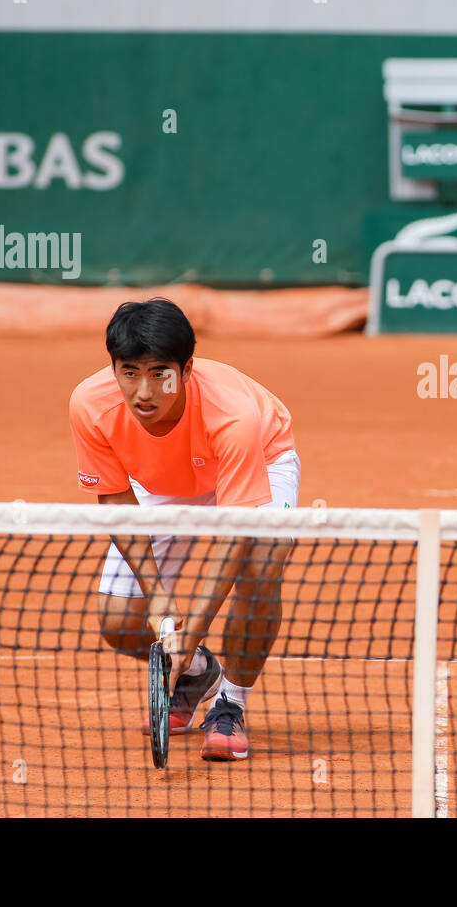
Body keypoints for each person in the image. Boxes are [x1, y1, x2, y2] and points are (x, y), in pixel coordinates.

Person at [69, 298, 299, 761]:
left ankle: (229, 702)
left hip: (258, 460)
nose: (144, 391)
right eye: (129, 371)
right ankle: (197, 673)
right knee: (118, 623)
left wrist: (188, 630)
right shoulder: (90, 405)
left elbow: (236, 533)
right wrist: (156, 595)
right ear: (113, 367)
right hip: (163, 481)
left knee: (263, 560)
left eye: (160, 373)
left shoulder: (234, 415)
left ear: (187, 369)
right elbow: (116, 499)